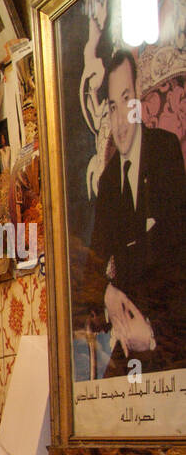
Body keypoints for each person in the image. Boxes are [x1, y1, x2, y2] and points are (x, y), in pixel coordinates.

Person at [85, 49, 186, 377]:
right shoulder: (109, 180)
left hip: (174, 330)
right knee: (104, 415)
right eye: (112, 107)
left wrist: (154, 334)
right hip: (131, 341)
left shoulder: (166, 151)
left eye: (126, 101)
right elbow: (92, 267)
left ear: (139, 99)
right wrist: (106, 293)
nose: (120, 122)